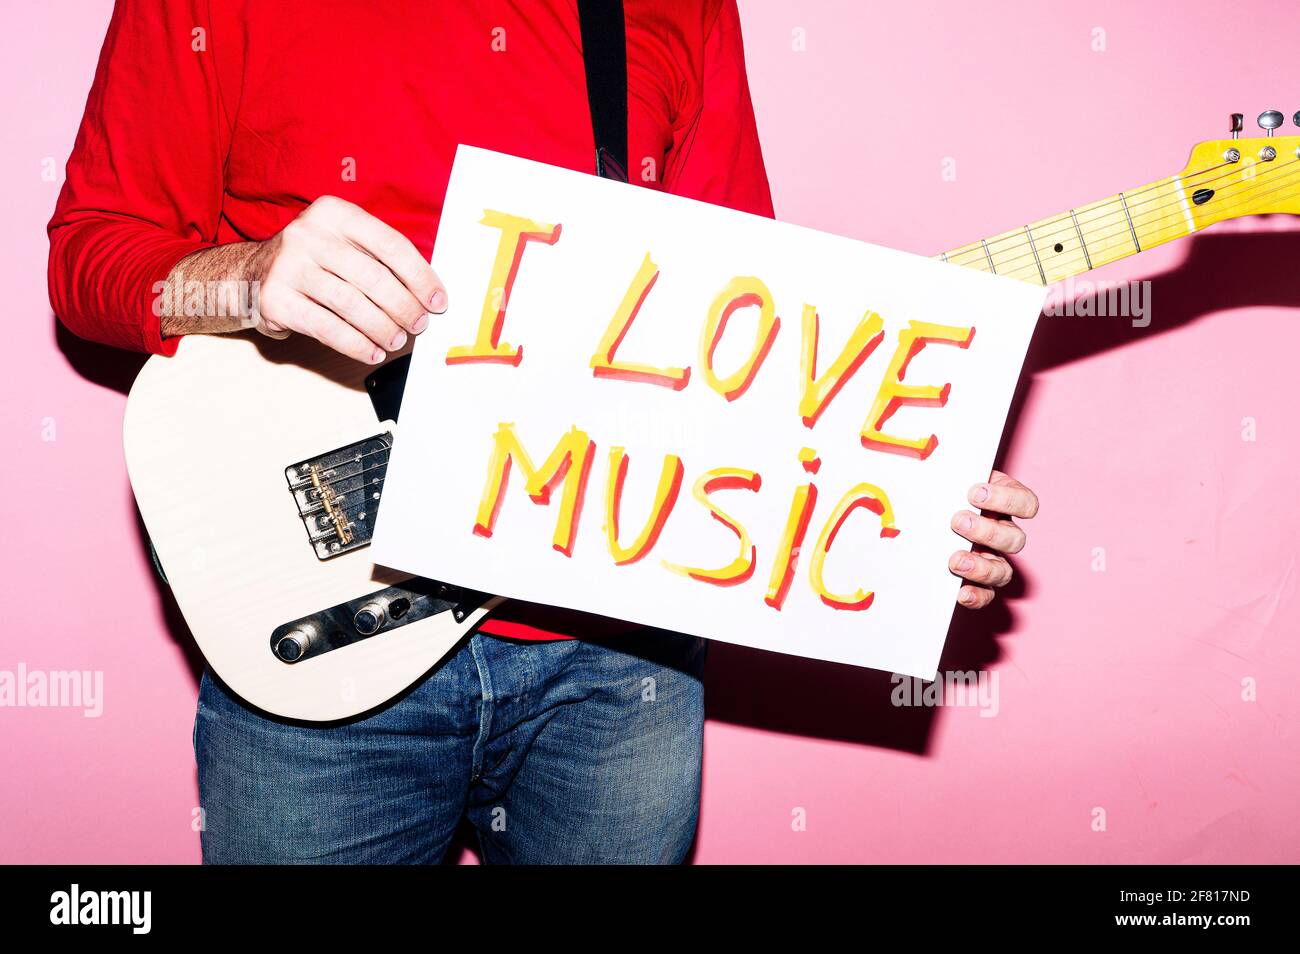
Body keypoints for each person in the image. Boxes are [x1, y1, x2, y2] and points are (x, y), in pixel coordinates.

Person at [47, 0, 1039, 864]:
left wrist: (905, 514)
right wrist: (246, 279)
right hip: (325, 632)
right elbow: (90, 250)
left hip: (619, 657)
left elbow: (745, 338)